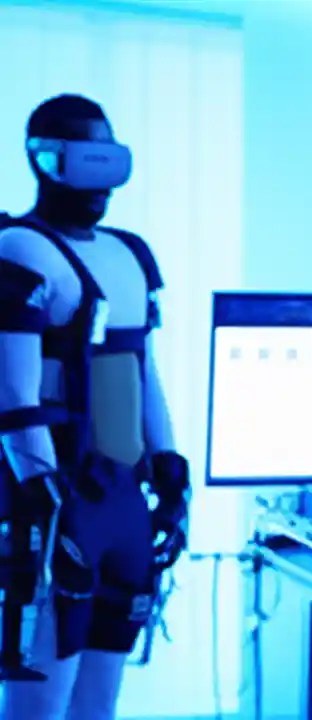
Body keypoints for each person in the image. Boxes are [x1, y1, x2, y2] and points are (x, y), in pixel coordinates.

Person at [0, 94, 190, 719]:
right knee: (41, 700)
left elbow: (143, 371)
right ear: (46, 160)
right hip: (57, 507)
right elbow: (13, 394)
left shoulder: (131, 255)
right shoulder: (21, 251)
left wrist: (169, 465)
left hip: (123, 500)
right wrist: (38, 490)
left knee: (99, 699)